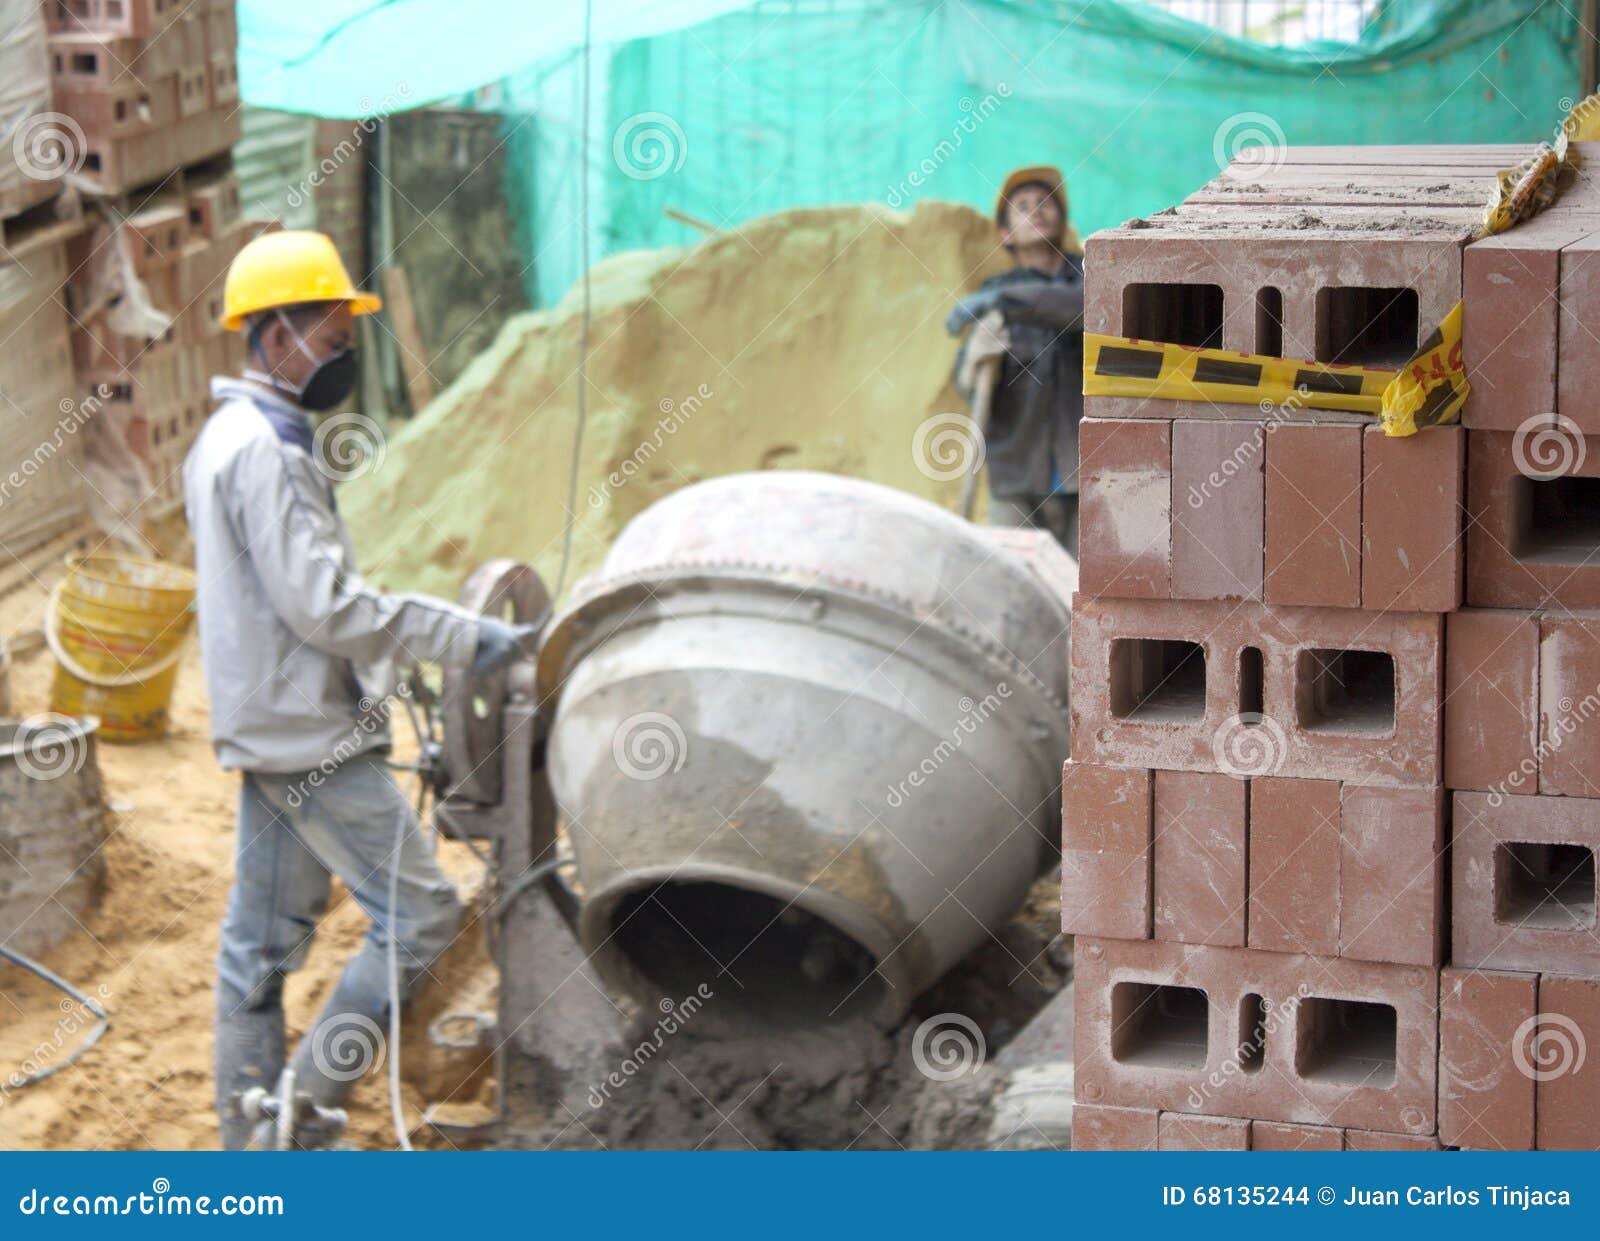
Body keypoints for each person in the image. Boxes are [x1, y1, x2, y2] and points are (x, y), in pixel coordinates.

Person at [184, 230, 536, 1149]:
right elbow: (327, 610)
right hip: (309, 739)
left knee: (257, 949)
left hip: (268, 724)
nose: (343, 357)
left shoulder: (227, 435)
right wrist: (466, 635)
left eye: (347, 342)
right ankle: (299, 1115)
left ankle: (248, 1135)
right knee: (420, 915)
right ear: (273, 334)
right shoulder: (268, 451)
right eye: (332, 341)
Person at [949, 165, 1085, 555]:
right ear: (1006, 233)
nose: (1037, 210)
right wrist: (975, 363)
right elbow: (966, 385)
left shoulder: (1090, 278)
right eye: (1022, 207)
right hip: (1015, 473)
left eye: (1046, 203)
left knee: (1085, 595)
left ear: (1062, 220)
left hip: (1088, 473)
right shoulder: (993, 294)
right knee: (1017, 585)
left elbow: (1086, 309)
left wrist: (1006, 305)